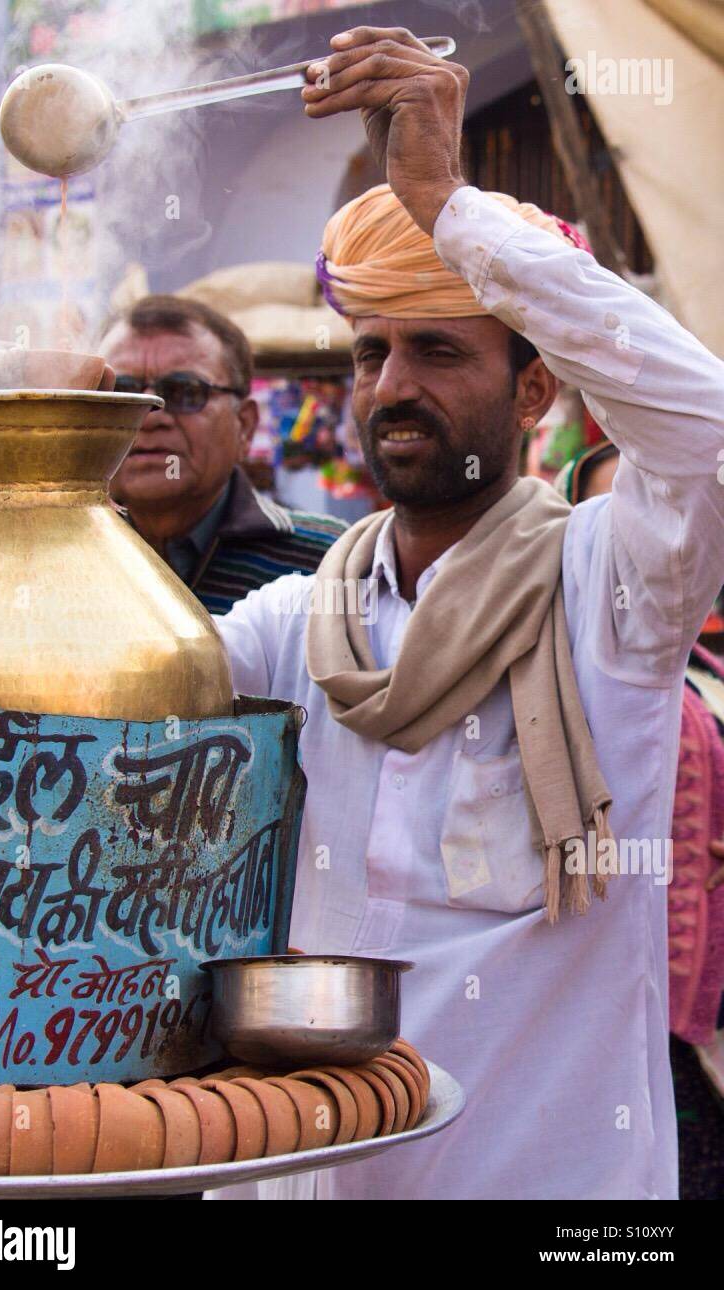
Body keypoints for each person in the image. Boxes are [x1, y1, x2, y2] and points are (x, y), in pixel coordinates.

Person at [205, 27, 724, 1200]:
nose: (392, 386)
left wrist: (448, 208)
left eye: (438, 351)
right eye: (372, 352)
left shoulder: (612, 587)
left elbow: (708, 433)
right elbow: (109, 693)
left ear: (535, 391)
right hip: (308, 1174)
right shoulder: (293, 625)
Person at [557, 438, 724, 1201]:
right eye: (616, 511)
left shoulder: (709, 667)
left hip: (708, 991)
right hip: (613, 982)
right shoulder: (553, 672)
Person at [100, 295, 346, 613]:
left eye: (184, 391)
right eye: (122, 394)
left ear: (244, 424)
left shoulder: (329, 561)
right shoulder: (60, 560)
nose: (148, 414)